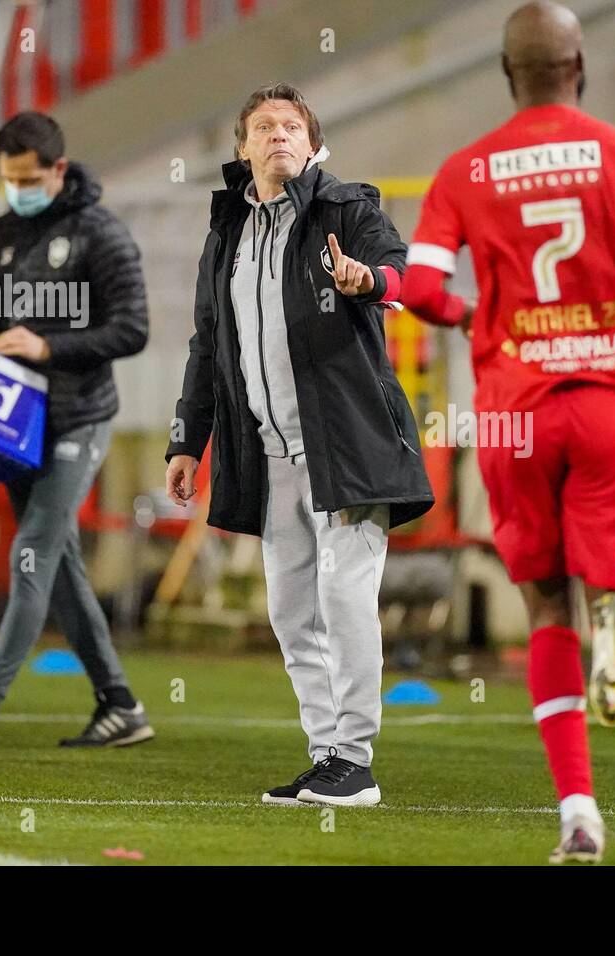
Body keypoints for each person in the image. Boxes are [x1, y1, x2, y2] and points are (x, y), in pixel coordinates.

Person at [400, 1, 615, 863]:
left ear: (507, 75)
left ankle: (579, 815)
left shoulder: (466, 170)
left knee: (544, 606)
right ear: (581, 68)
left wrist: (475, 317)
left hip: (512, 411)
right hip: (608, 404)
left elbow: (419, 292)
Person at [165, 83, 432, 807]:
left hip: (346, 447)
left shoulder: (348, 208)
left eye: (292, 126)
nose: (279, 134)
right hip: (269, 454)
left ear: (314, 146)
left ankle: (355, 757)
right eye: (264, 126)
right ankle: (328, 756)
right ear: (242, 148)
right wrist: (188, 439)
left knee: (344, 600)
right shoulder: (226, 234)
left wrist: (367, 279)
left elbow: (404, 272)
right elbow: (207, 342)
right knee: (291, 612)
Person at [0, 112, 152, 749]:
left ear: (58, 169)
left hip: (79, 419)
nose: (17, 188)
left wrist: (47, 347)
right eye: (7, 178)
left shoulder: (101, 234)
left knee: (31, 553)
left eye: (27, 178)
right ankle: (120, 703)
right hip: (13, 422)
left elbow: (133, 330)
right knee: (56, 566)